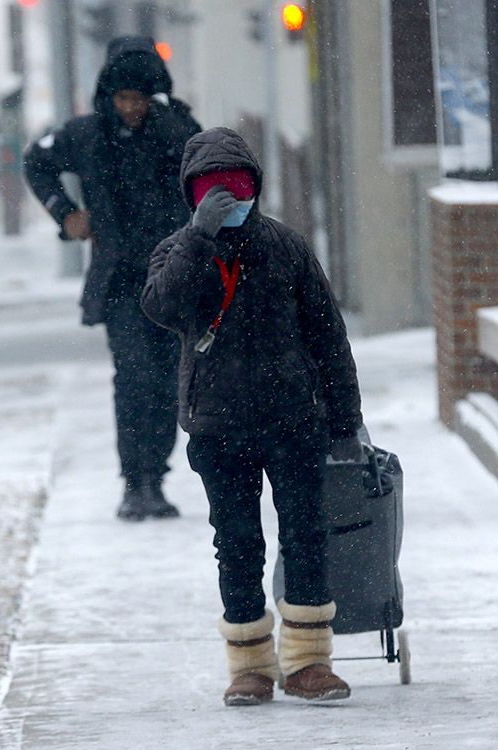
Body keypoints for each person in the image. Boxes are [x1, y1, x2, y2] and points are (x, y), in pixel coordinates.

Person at [141, 127, 365, 706]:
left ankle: (309, 662)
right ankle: (250, 666)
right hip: (218, 428)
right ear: (192, 195)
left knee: (305, 536)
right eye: (214, 191)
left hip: (293, 422)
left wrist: (346, 419)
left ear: (256, 188)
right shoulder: (177, 250)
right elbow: (162, 307)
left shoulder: (285, 247)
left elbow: (328, 336)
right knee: (237, 542)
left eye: (238, 188)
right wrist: (199, 238)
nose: (229, 200)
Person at [24, 37, 201, 521]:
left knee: (167, 379)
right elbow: (36, 162)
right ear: (109, 96)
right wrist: (65, 213)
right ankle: (134, 479)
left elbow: (207, 173)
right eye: (123, 100)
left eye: (139, 100)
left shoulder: (175, 129)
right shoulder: (85, 136)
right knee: (133, 375)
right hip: (120, 278)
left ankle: (156, 478)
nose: (131, 110)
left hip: (172, 275)